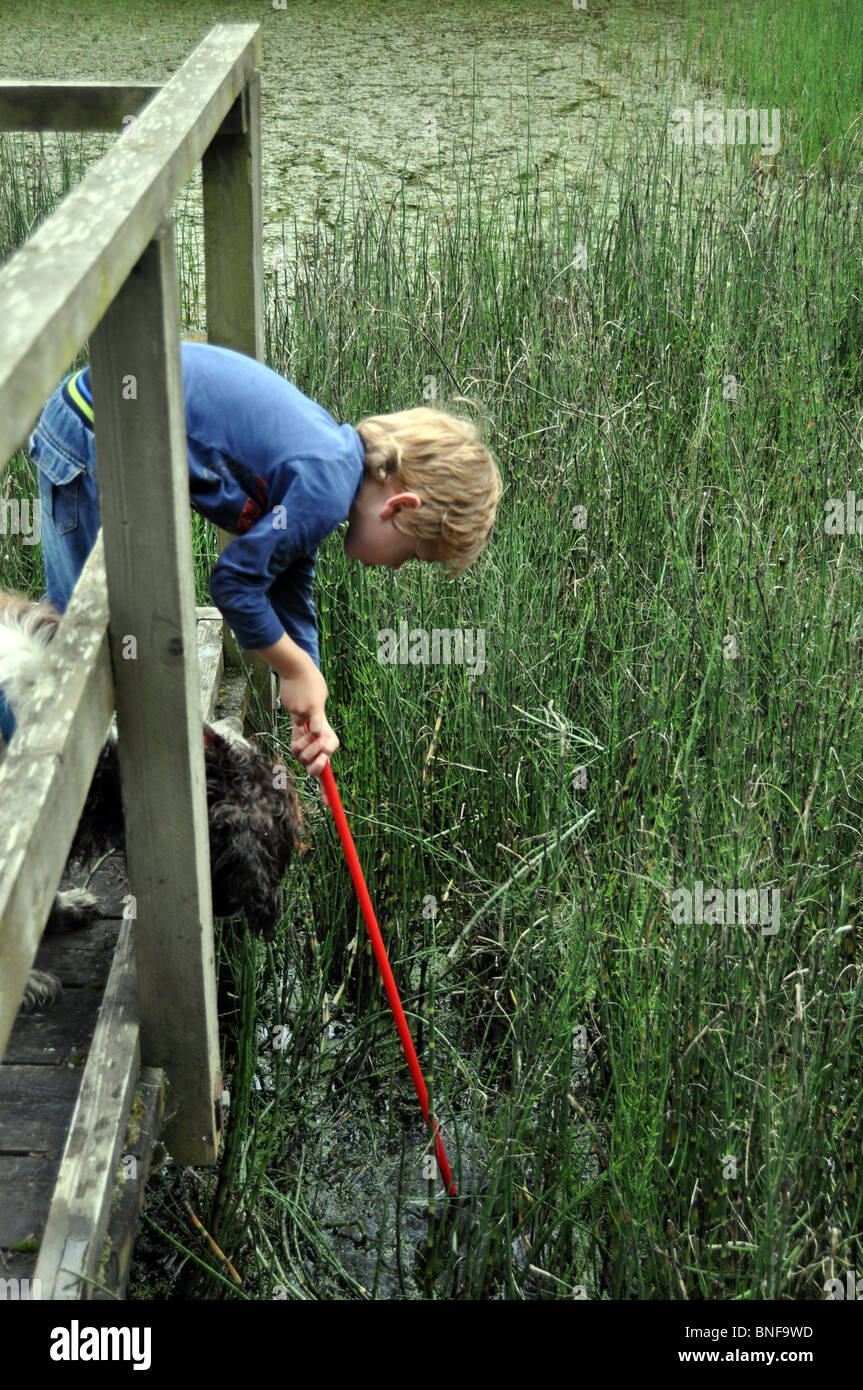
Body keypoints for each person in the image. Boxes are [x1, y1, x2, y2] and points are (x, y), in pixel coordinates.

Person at [1, 342, 502, 780]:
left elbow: (289, 579)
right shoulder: (326, 485)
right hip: (95, 437)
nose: (396, 569)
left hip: (106, 430)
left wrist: (308, 682)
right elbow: (233, 584)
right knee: (74, 653)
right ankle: (21, 777)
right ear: (399, 508)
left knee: (92, 653)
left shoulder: (330, 468)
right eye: (412, 555)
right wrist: (292, 667)